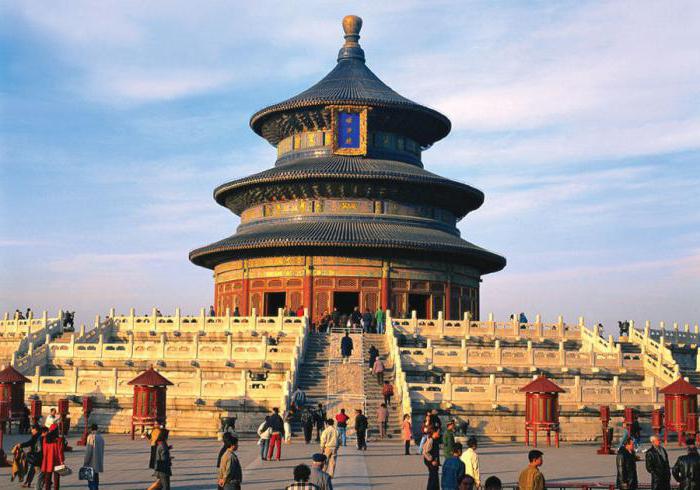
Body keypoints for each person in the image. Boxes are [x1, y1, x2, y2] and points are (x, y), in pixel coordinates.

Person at [41, 424, 65, 490]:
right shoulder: (59, 440)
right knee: (56, 478)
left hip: (48, 460)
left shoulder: (45, 439)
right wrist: (62, 461)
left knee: (47, 478)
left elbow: (44, 450)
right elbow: (60, 452)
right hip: (57, 460)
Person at [83, 424, 105, 490]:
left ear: (91, 429)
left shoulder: (91, 437)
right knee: (96, 479)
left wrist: (85, 462)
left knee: (91, 482)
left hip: (91, 462)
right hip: (98, 461)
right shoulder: (101, 437)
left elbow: (88, 451)